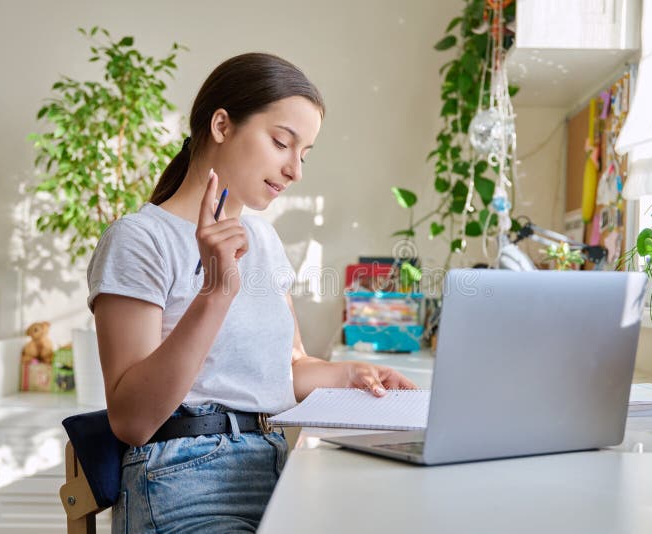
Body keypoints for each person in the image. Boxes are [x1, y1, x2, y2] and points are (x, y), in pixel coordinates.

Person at [87, 52, 417, 533]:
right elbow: (133, 420)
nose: (294, 170)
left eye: (303, 154)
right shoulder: (140, 238)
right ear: (222, 125)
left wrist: (351, 373)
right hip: (183, 479)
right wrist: (215, 293)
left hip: (276, 465)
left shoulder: (262, 239)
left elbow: (287, 367)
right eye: (282, 143)